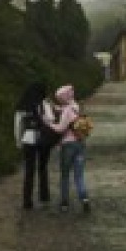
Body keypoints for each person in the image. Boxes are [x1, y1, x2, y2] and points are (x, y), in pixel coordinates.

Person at [13, 81, 55, 210]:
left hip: (28, 139)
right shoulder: (44, 103)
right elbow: (51, 119)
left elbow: (18, 127)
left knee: (29, 171)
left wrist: (19, 142)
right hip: (43, 140)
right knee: (42, 168)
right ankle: (44, 195)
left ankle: (27, 200)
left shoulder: (22, 106)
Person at [49, 84, 90, 213]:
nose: (58, 100)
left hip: (68, 145)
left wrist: (49, 124)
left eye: (59, 98)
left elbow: (61, 128)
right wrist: (55, 108)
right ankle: (84, 198)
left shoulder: (66, 111)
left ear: (63, 98)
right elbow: (61, 109)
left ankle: (64, 203)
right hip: (80, 143)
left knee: (65, 175)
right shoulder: (75, 107)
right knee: (79, 175)